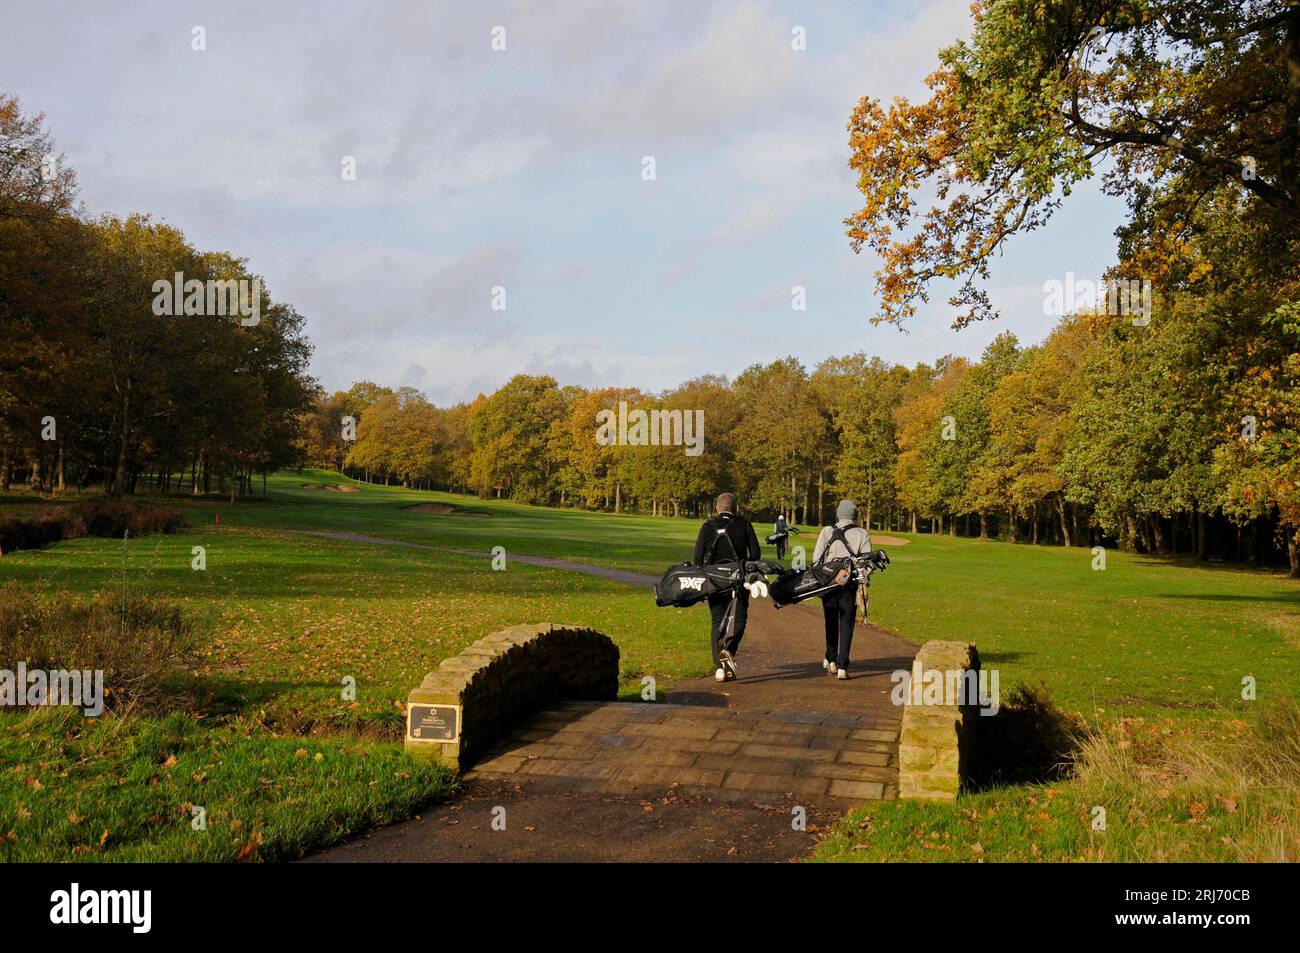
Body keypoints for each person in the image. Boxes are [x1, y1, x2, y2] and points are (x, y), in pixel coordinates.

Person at [693, 492, 761, 682]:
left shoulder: (707, 526)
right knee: (739, 619)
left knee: (717, 621)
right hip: (737, 580)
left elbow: (697, 559)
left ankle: (719, 668)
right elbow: (755, 553)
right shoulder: (745, 524)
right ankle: (728, 650)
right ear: (735, 508)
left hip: (714, 581)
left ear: (717, 508)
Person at [811, 499, 872, 680]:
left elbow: (816, 560)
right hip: (849, 585)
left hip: (829, 583)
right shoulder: (862, 533)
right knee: (846, 623)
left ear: (838, 514)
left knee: (830, 621)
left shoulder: (827, 531)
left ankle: (831, 659)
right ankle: (842, 664)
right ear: (855, 516)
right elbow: (868, 564)